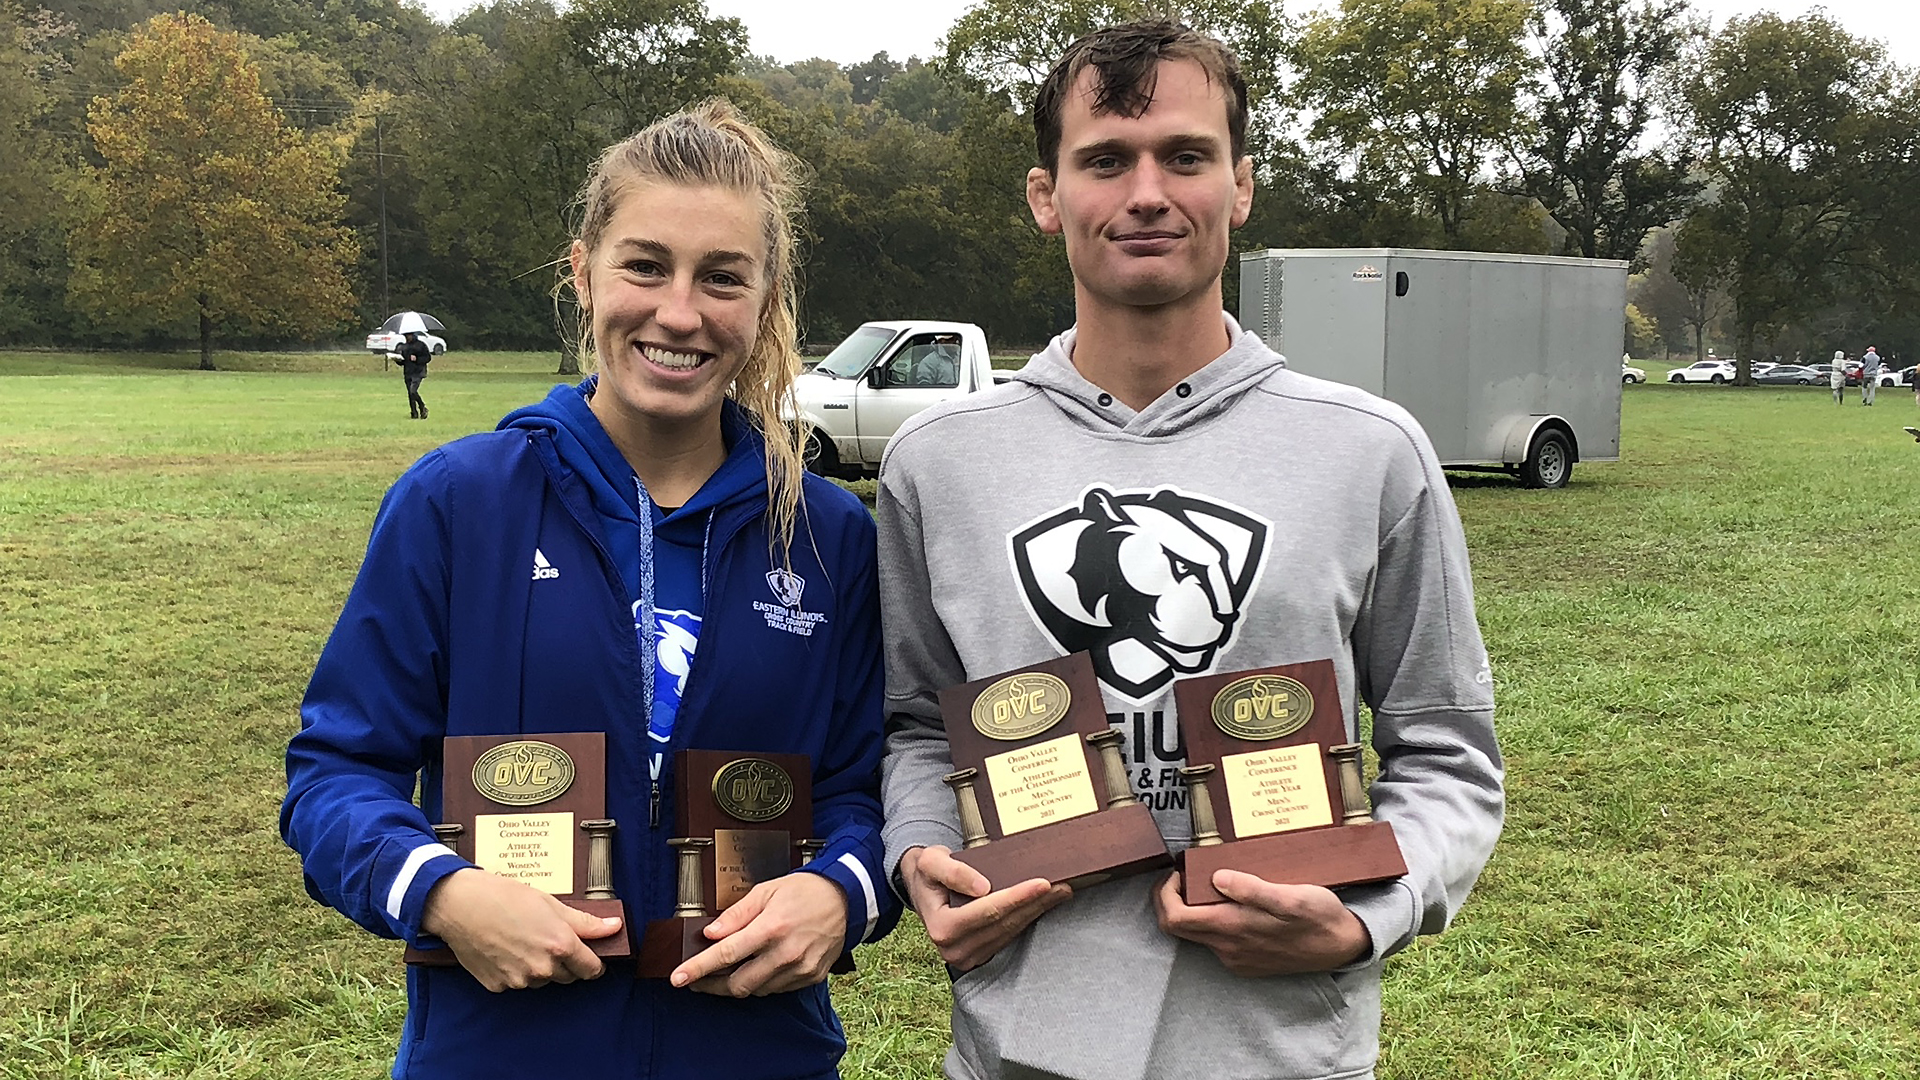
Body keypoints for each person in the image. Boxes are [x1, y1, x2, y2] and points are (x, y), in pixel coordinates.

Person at [877, 21, 1503, 1080]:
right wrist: (917, 854)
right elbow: (917, 728)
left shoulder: (1371, 451)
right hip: (1016, 1047)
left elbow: (1448, 754)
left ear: (1242, 185)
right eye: (1106, 159)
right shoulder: (938, 462)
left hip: (1282, 1050)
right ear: (1047, 195)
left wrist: (1372, 917)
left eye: (1186, 155)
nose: (1148, 192)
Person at [282, 101, 896, 1080]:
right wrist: (443, 892)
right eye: (645, 266)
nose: (680, 312)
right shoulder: (458, 503)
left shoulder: (829, 537)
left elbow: (867, 787)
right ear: (584, 271)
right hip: (497, 1052)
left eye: (722, 278)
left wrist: (841, 893)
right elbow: (333, 776)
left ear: (765, 295)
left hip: (758, 1049)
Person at [397, 330, 433, 418]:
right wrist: (398, 360)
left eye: (408, 335)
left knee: (413, 391)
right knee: (410, 393)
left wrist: (417, 359)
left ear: (413, 335)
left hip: (418, 371)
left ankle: (422, 406)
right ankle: (414, 412)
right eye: (405, 336)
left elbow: (428, 358)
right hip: (408, 372)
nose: (407, 337)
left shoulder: (421, 345)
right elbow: (404, 361)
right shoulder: (404, 347)